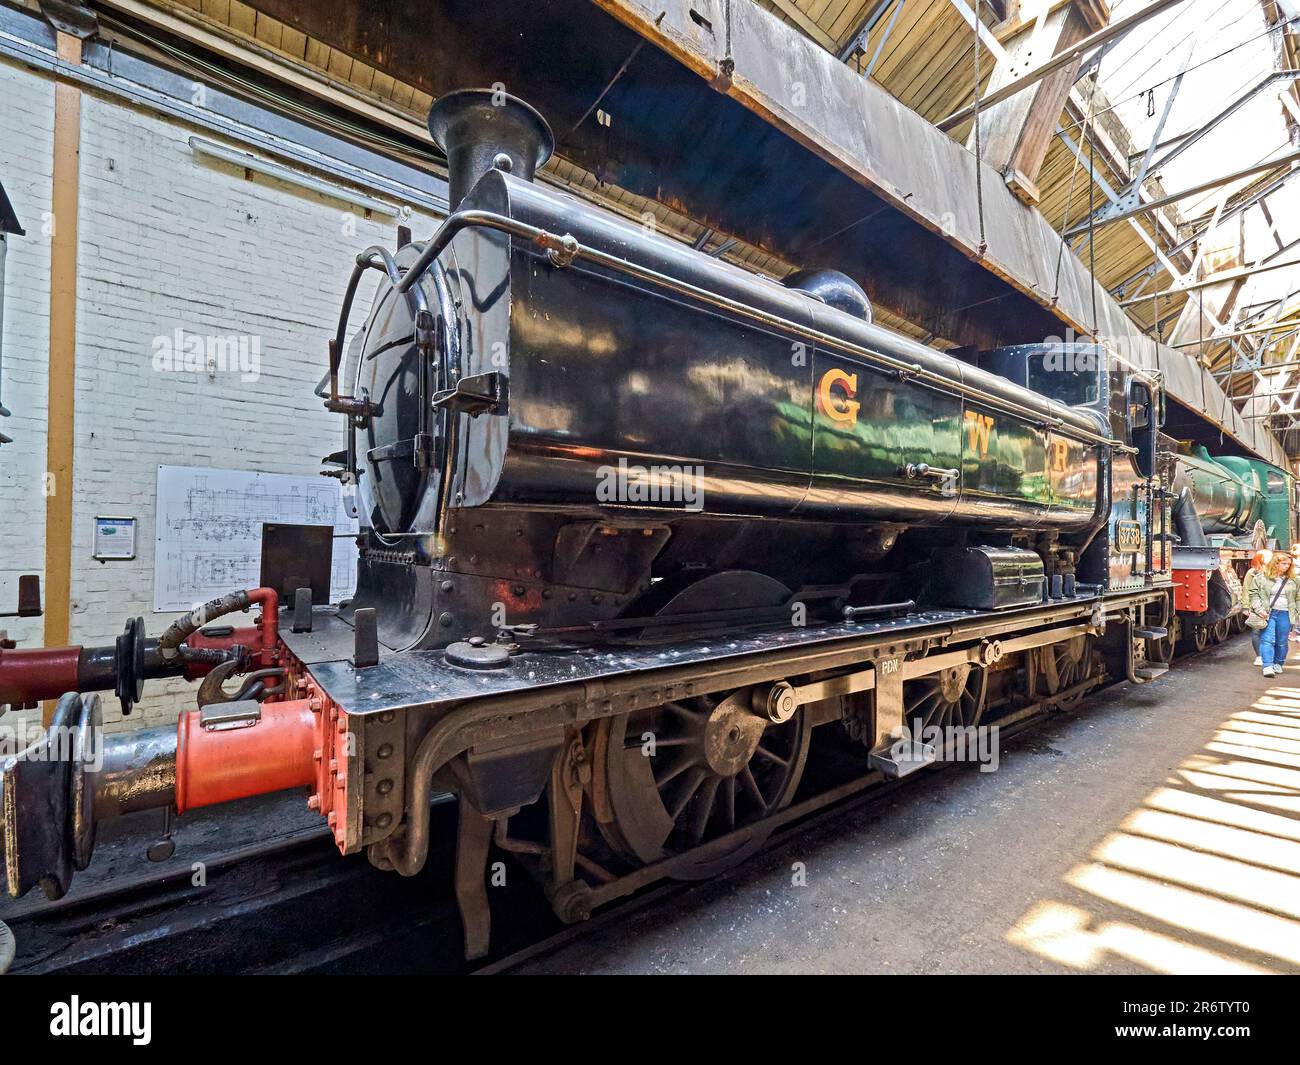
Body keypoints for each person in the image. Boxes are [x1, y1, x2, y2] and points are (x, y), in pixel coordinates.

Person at [1246, 552, 1300, 677]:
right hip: (1268, 613)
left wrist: (1297, 613)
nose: (1287, 566)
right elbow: (1253, 593)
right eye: (1284, 564)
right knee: (1267, 639)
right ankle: (1268, 666)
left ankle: (1278, 663)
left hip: (1286, 613)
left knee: (1282, 641)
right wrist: (1259, 609)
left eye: (1288, 564)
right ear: (1276, 564)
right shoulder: (1261, 577)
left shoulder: (1294, 580)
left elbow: (1298, 597)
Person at [1243, 549, 1273, 666]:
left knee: (1272, 631)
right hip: (1257, 605)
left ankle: (1270, 655)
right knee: (1256, 631)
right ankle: (1259, 656)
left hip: (1273, 605)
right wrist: (1246, 607)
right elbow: (1246, 589)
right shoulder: (1251, 573)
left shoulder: (1277, 571)